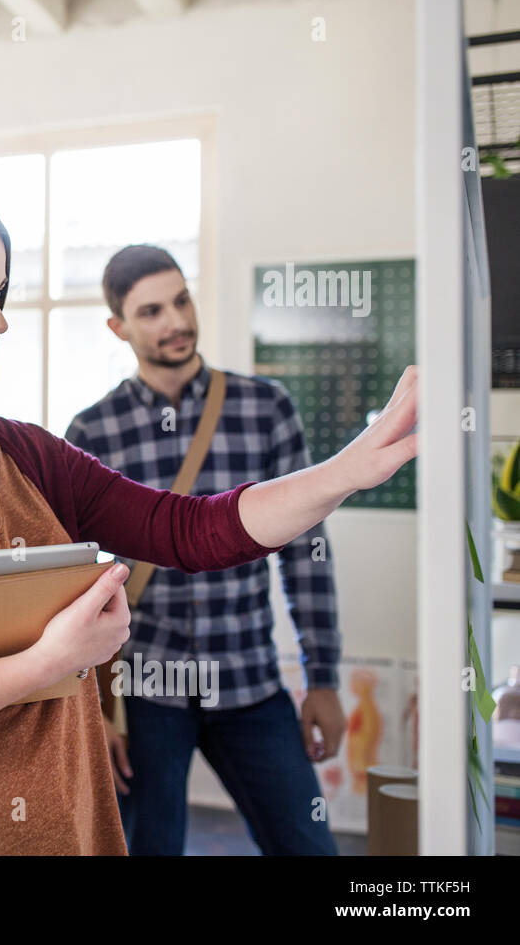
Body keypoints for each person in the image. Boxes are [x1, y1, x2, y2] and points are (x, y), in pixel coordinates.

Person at [0, 178, 418, 856]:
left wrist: (349, 470)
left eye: (0, 292)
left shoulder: (22, 451)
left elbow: (188, 530)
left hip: (66, 824)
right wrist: (46, 661)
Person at [65, 244, 343, 855]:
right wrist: (93, 711)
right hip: (144, 690)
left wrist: (322, 678)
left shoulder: (265, 408)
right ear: (119, 327)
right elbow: (77, 581)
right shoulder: (90, 432)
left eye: (182, 301)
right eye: (152, 310)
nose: (175, 321)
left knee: (308, 844)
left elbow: (305, 554)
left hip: (248, 679)